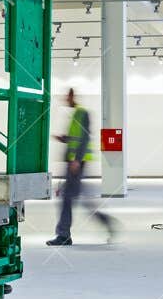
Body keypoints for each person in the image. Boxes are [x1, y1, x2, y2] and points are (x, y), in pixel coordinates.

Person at [47, 88, 117, 246]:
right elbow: (76, 138)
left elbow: (84, 138)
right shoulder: (75, 115)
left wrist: (76, 160)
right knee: (78, 199)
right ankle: (107, 223)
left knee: (67, 198)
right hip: (74, 163)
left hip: (77, 163)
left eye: (67, 97)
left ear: (72, 96)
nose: (65, 100)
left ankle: (63, 235)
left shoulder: (82, 113)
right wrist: (63, 138)